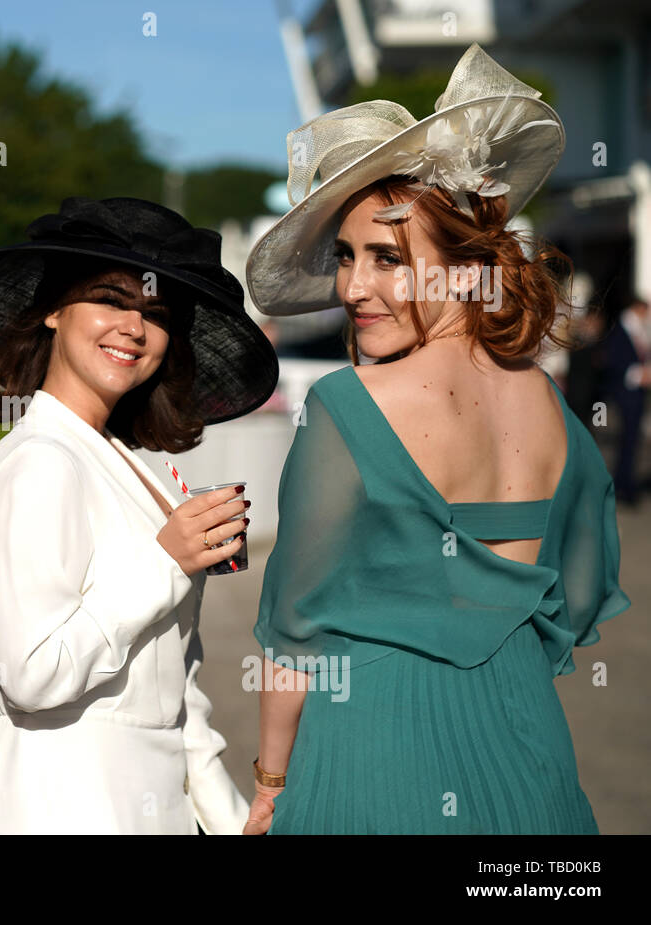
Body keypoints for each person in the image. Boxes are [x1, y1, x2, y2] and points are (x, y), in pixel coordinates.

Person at [243, 45, 630, 834]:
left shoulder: (348, 405)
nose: (352, 288)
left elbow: (292, 637)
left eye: (387, 258)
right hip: (531, 753)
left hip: (373, 756)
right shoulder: (555, 410)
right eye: (346, 258)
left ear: (461, 268)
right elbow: (576, 600)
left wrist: (270, 784)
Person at [0, 196, 278, 834]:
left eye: (155, 313)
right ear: (53, 312)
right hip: (65, 796)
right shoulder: (40, 458)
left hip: (153, 802)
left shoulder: (130, 462)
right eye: (110, 300)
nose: (133, 326)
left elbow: (177, 679)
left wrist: (226, 814)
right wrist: (163, 560)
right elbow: (30, 675)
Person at [601, 297, 650, 505]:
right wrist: (638, 374)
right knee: (626, 440)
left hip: (637, 394)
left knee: (632, 440)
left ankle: (626, 483)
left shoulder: (640, 330)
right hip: (624, 392)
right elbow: (614, 361)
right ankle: (622, 485)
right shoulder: (621, 329)